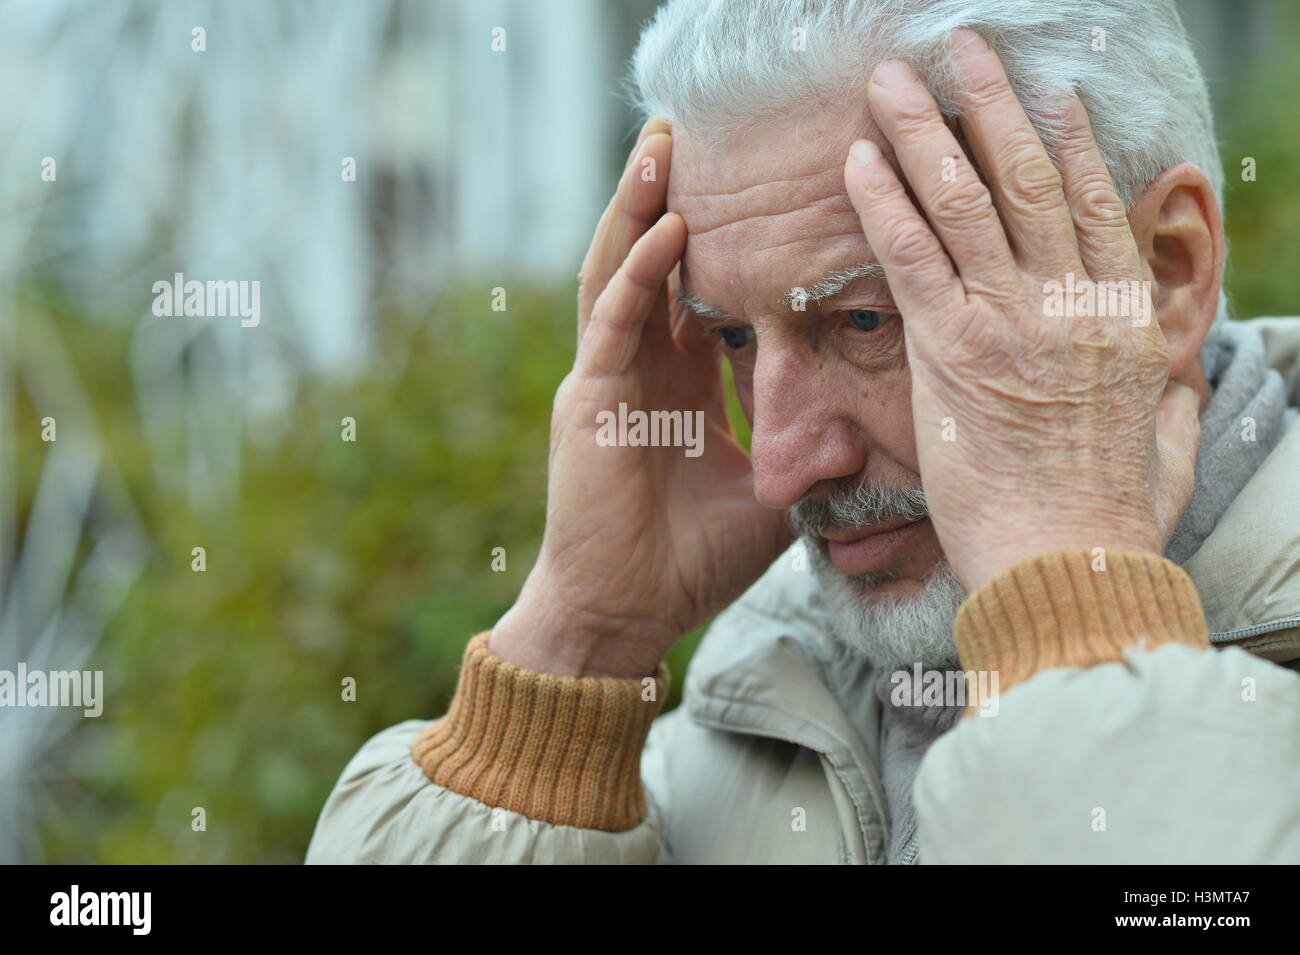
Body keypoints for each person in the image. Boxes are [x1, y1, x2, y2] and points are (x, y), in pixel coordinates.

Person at [306, 0, 1300, 864]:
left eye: (865, 319)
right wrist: (574, 652)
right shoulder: (747, 716)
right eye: (732, 335)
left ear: (1163, 275)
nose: (779, 465)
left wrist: (1077, 616)